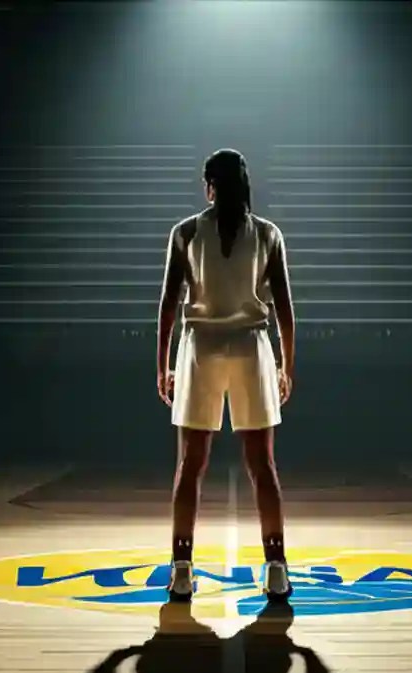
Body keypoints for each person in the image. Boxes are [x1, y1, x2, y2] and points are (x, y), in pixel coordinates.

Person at [155, 148, 296, 602]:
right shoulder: (268, 234)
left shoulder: (185, 232)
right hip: (251, 346)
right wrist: (287, 365)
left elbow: (168, 306)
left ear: (209, 187)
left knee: (190, 465)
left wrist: (162, 364)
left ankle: (181, 569)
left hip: (201, 346)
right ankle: (276, 567)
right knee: (262, 465)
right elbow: (285, 310)